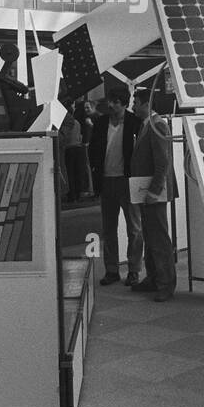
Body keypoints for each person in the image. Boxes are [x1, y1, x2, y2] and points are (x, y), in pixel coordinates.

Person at [88, 90, 142, 286]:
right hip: (106, 180)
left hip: (127, 181)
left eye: (115, 102)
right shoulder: (101, 123)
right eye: (110, 101)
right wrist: (95, 172)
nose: (111, 105)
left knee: (134, 228)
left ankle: (134, 270)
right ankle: (112, 270)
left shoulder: (135, 122)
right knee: (108, 228)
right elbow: (93, 149)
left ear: (124, 104)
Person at [128, 90, 178, 302]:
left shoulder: (157, 125)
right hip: (146, 192)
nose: (133, 107)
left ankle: (166, 283)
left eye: (136, 102)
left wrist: (155, 190)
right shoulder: (148, 124)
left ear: (146, 103)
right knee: (150, 236)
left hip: (153, 192)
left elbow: (163, 162)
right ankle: (154, 278)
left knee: (159, 239)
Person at [58, 101, 93, 204]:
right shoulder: (77, 123)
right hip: (78, 148)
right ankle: (78, 193)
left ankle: (71, 195)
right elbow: (80, 136)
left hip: (68, 149)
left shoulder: (63, 124)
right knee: (78, 172)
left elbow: (64, 138)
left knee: (70, 173)